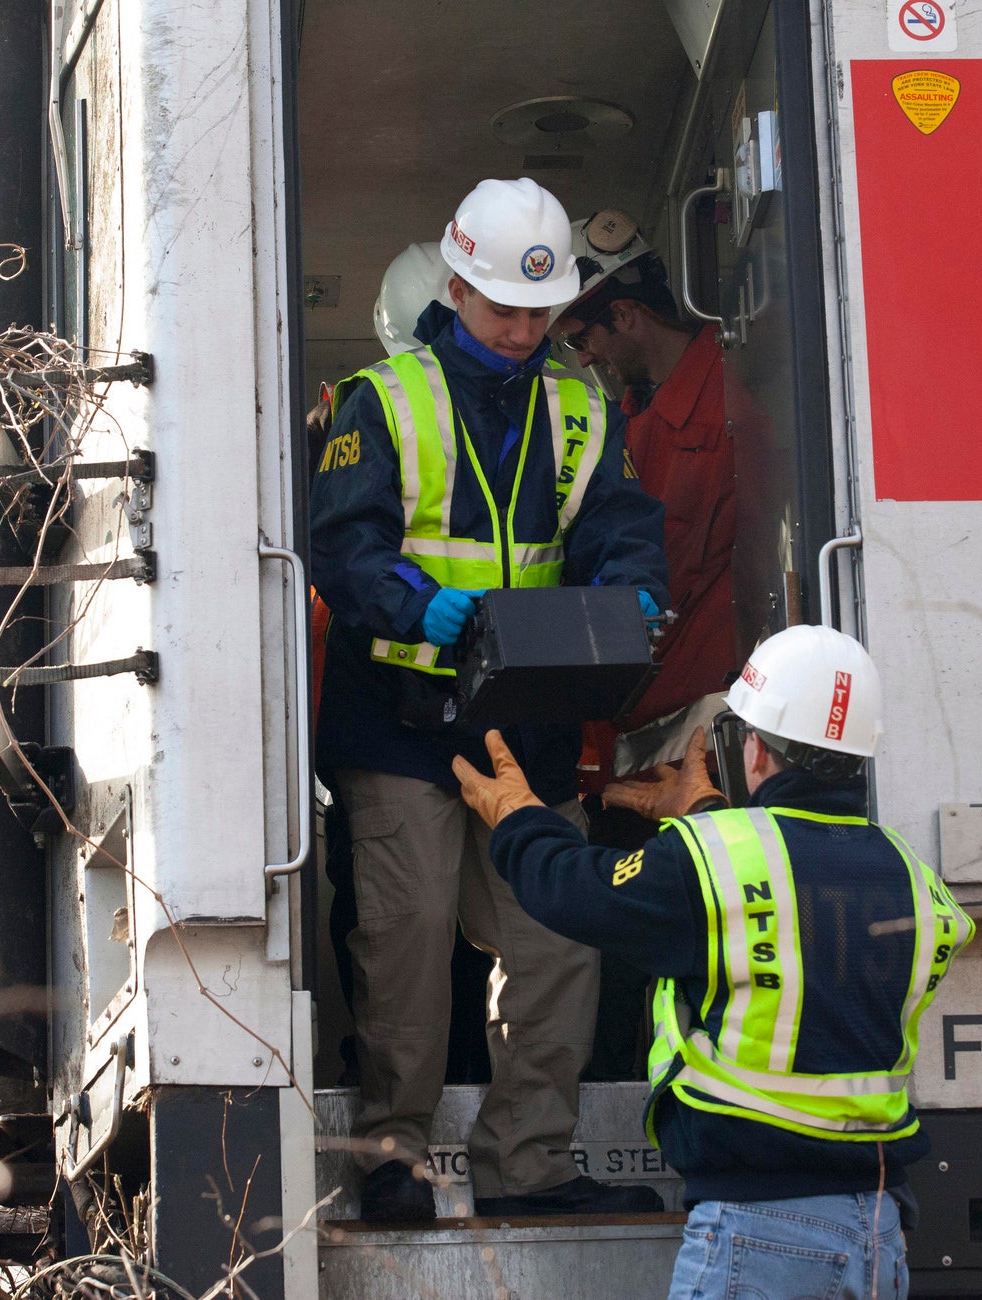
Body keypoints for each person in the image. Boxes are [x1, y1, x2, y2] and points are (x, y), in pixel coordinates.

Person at [310, 177, 670, 1223]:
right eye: (503, 307)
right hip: (401, 723)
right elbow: (345, 544)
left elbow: (617, 523)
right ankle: (392, 1158)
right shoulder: (384, 400)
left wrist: (630, 590)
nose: (522, 329)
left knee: (556, 941)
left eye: (539, 309)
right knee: (407, 941)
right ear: (457, 286)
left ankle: (529, 1165)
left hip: (531, 721)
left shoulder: (581, 406)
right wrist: (413, 605)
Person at [449, 625, 974, 1299]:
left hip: (759, 1229)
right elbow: (794, 898)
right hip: (878, 1229)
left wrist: (518, 816)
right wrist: (698, 808)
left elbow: (577, 892)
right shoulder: (911, 876)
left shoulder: (712, 859)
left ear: (754, 750)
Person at [556, 209, 738, 740]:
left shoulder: (730, 399)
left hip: (700, 708)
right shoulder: (635, 421)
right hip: (650, 709)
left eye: (578, 339)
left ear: (626, 314)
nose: (584, 359)